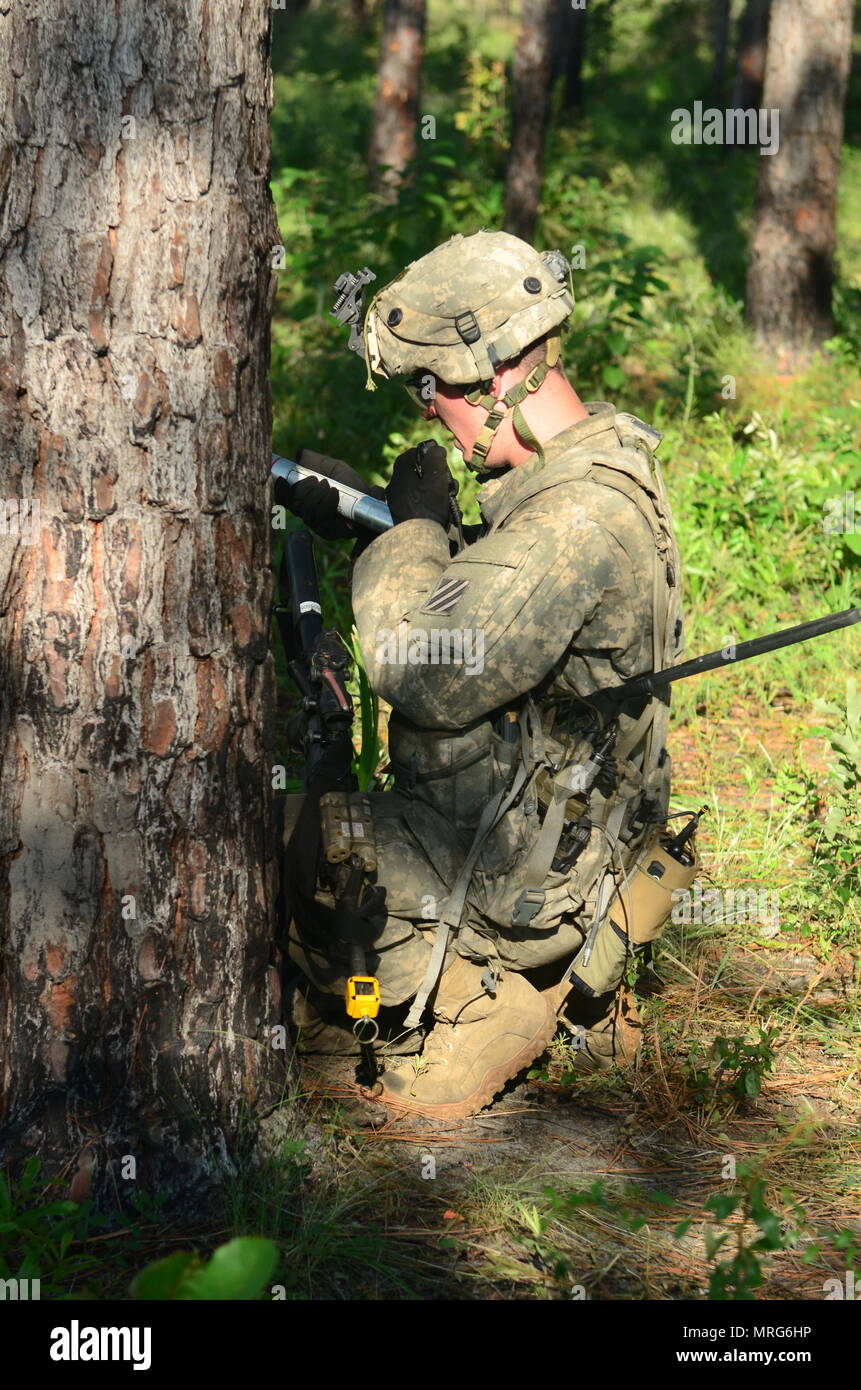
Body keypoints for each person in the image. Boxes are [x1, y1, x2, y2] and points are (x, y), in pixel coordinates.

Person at [278, 229, 686, 1120]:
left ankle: (477, 986)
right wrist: (370, 512)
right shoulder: (601, 472)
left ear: (498, 379)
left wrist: (407, 538)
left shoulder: (574, 519)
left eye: (433, 389)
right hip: (573, 856)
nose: (428, 412)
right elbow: (517, 609)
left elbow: (418, 668)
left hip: (506, 886)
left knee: (255, 839)